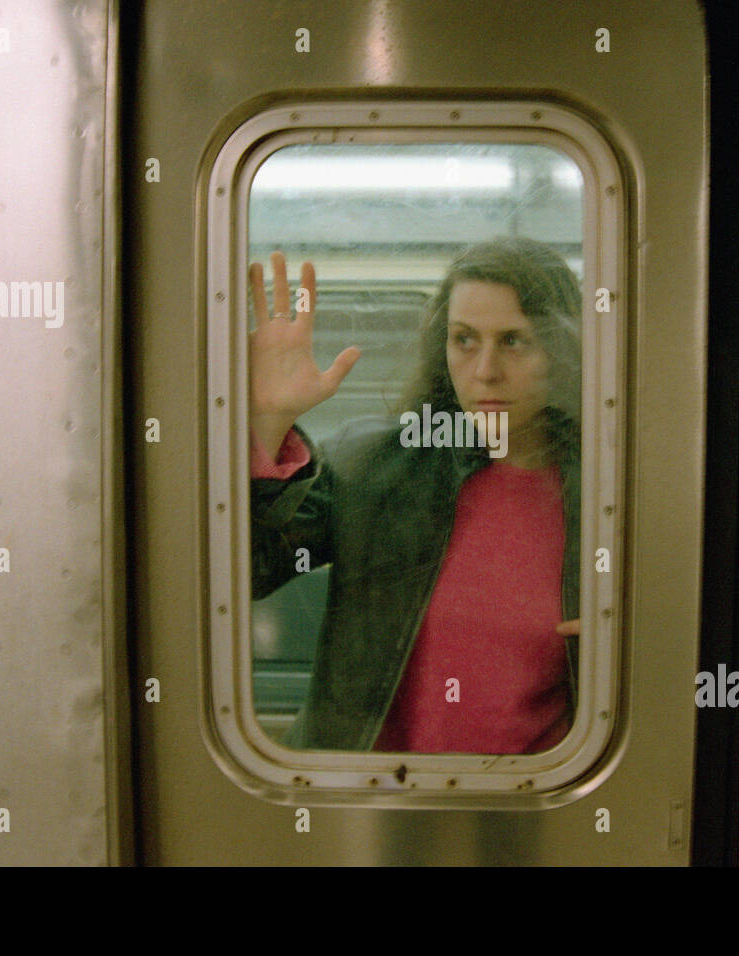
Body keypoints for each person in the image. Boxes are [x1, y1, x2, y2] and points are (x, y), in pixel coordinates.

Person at [247, 239, 582, 754]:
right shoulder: (380, 466)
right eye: (465, 340)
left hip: (534, 804)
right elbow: (251, 568)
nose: (486, 370)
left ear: (559, 352)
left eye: (514, 341)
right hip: (372, 803)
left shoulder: (605, 497)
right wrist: (269, 422)